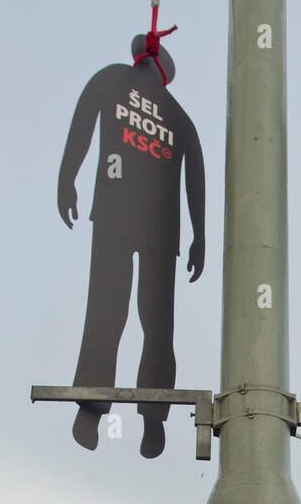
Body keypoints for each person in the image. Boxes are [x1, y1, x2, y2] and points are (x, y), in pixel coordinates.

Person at [57, 36, 205, 458]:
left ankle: (153, 417)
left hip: (161, 229)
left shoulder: (179, 118)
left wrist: (200, 235)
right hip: (114, 216)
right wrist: (67, 177)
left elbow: (196, 175)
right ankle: (91, 407)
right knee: (108, 311)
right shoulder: (112, 80)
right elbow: (83, 122)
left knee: (156, 323)